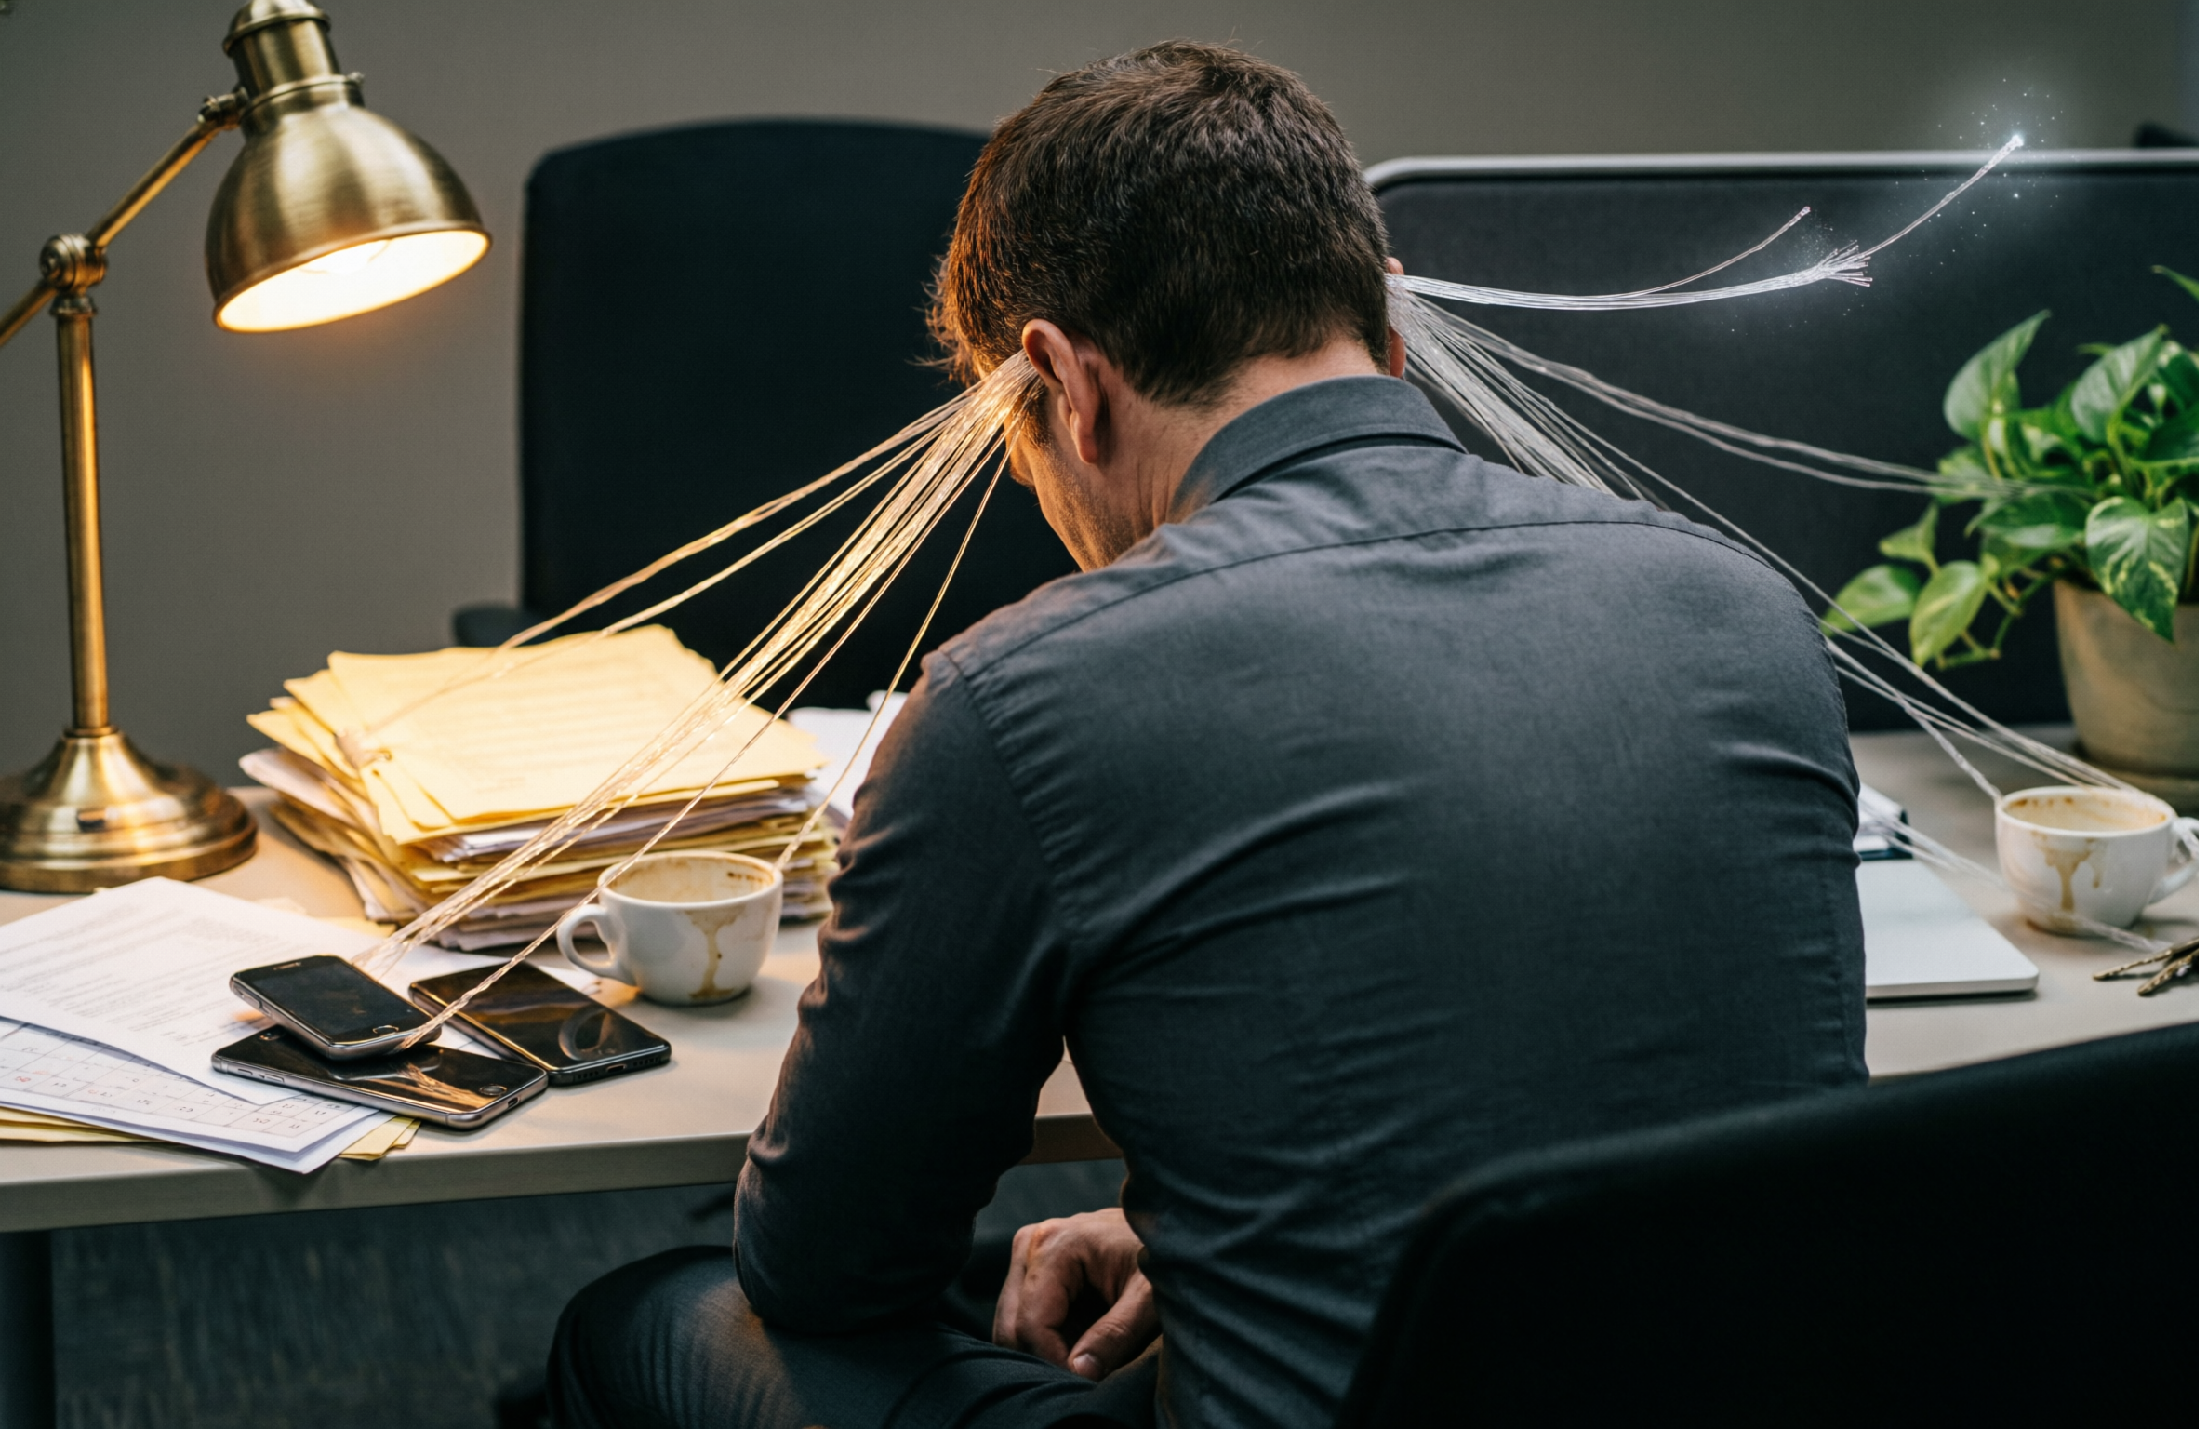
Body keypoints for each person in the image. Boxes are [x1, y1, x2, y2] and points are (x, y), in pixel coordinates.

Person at [550, 40, 1865, 1429]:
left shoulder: (1021, 697)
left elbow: (827, 1263)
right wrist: (1206, 1240)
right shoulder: (1748, 612)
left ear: (1064, 386)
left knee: (645, 1322)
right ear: (1394, 324)